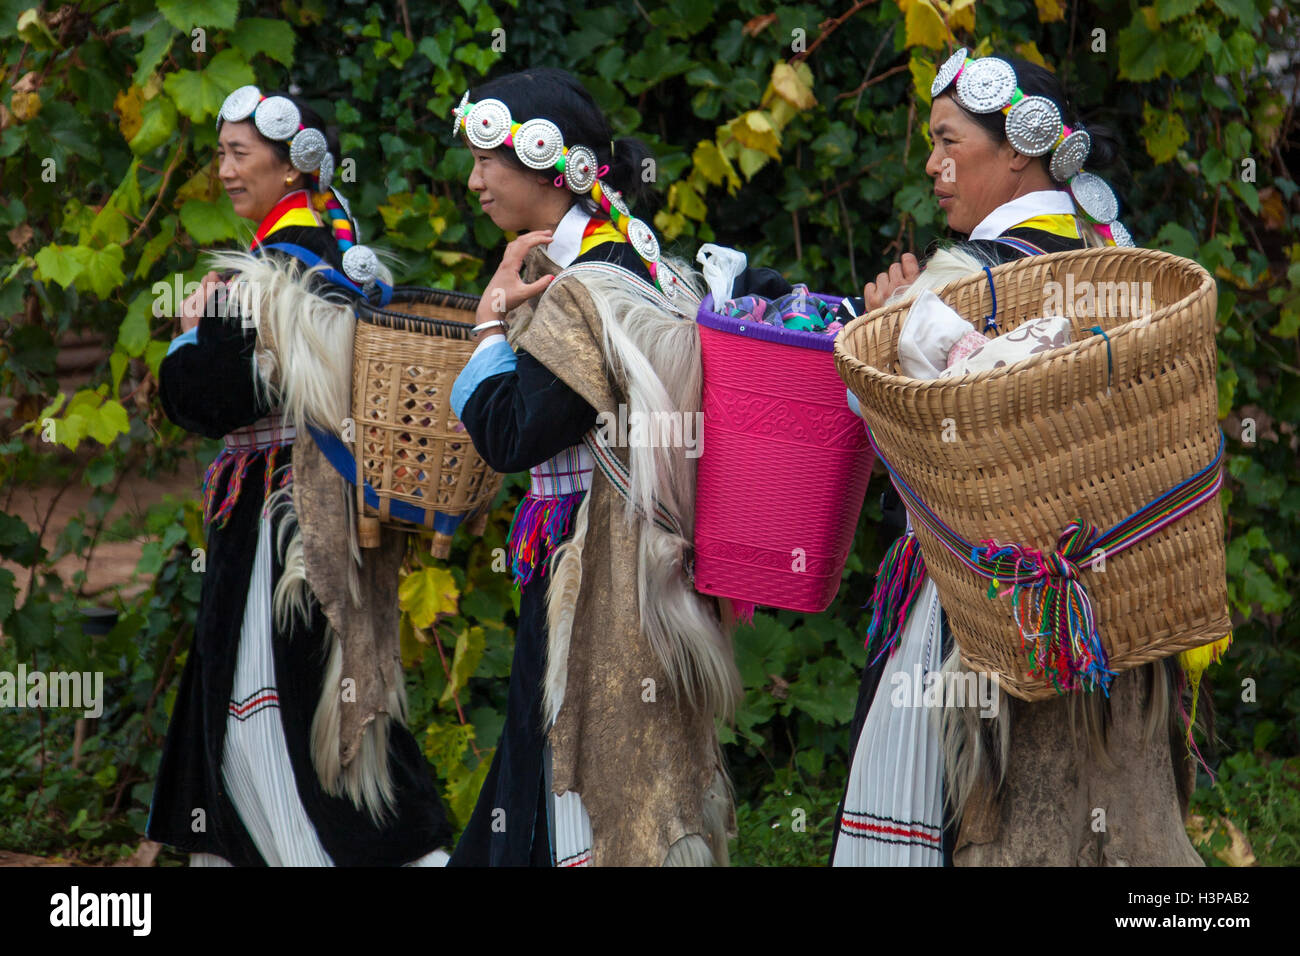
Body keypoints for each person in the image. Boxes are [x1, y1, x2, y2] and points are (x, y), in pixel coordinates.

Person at [831, 49, 1212, 866]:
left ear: (1020, 147)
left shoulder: (965, 279)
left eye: (946, 141)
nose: (932, 167)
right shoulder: (1119, 263)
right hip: (1113, 601)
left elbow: (886, 425)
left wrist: (876, 333)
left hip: (980, 604)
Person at [147, 86, 452, 866]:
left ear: (291, 166)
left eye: (238, 154)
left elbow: (210, 396)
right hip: (310, 501)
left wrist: (187, 340)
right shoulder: (327, 249)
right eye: (221, 152)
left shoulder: (285, 266)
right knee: (320, 688)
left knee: (278, 690)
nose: (222, 170)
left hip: (284, 517)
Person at [444, 68, 739, 866]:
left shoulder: (591, 286)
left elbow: (512, 435)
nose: (473, 182)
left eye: (486, 161)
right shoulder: (622, 260)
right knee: (583, 747)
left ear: (549, 160)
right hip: (610, 550)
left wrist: (487, 327)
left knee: (588, 750)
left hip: (598, 560)